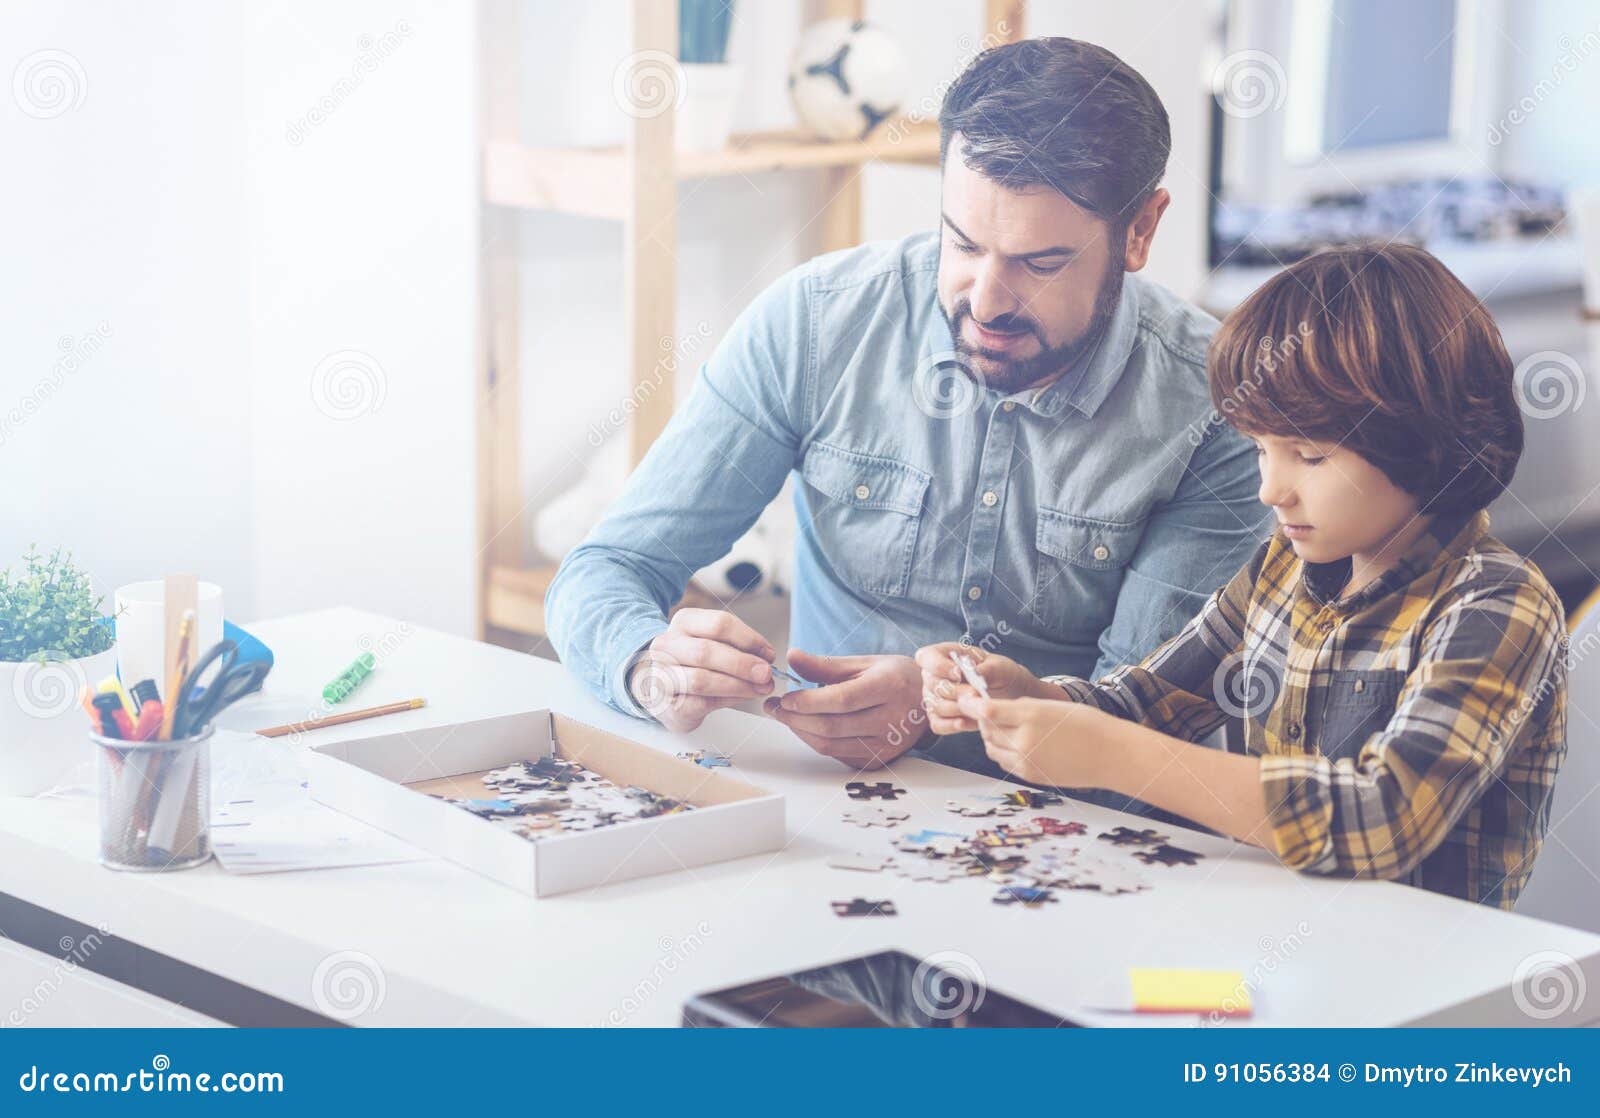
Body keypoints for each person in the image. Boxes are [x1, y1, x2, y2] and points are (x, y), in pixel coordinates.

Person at [546, 38, 1270, 804]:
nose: (986, 301)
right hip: (819, 810)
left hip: (1069, 833)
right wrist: (649, 667)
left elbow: (1142, 727)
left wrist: (937, 714)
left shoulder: (1216, 405)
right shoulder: (816, 322)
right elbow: (604, 570)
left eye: (1040, 263)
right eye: (962, 242)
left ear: (1140, 232)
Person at [918, 244, 1567, 908]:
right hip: (1265, 940)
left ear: (1421, 441)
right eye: (1261, 449)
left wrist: (1118, 757)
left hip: (1421, 985)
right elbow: (1147, 702)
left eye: (1308, 456)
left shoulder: (1497, 606)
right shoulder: (1284, 567)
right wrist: (1035, 700)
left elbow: (1383, 819)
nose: (1270, 489)